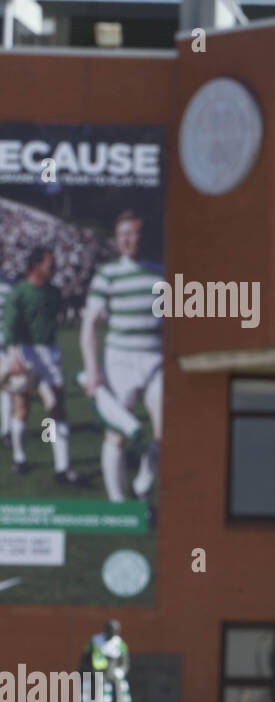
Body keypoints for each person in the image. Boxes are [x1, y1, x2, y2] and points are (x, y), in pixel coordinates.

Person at [79, 210, 164, 505]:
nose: (128, 240)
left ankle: (142, 485)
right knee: (116, 435)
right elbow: (90, 325)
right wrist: (92, 371)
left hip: (155, 360)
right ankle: (117, 502)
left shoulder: (160, 273)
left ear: (143, 236)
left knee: (165, 434)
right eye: (122, 235)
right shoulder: (107, 274)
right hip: (119, 361)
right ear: (117, 240)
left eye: (134, 233)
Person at [2, 247, 78, 482]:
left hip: (50, 355)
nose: (53, 268)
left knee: (56, 409)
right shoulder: (19, 293)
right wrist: (16, 358)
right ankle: (20, 458)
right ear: (36, 266)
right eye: (49, 264)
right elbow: (10, 328)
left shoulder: (55, 293)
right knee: (23, 408)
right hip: (25, 354)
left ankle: (61, 468)